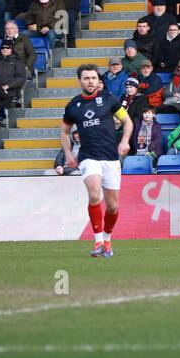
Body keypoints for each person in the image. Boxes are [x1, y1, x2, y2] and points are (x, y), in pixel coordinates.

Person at [61, 64, 133, 258]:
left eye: (93, 78)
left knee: (113, 207)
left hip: (110, 157)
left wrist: (125, 140)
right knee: (94, 195)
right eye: (86, 78)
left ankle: (107, 240)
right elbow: (64, 131)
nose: (90, 81)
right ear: (80, 81)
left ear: (98, 81)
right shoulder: (73, 105)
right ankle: (98, 241)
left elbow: (127, 121)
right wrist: (68, 153)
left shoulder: (109, 99)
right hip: (88, 157)